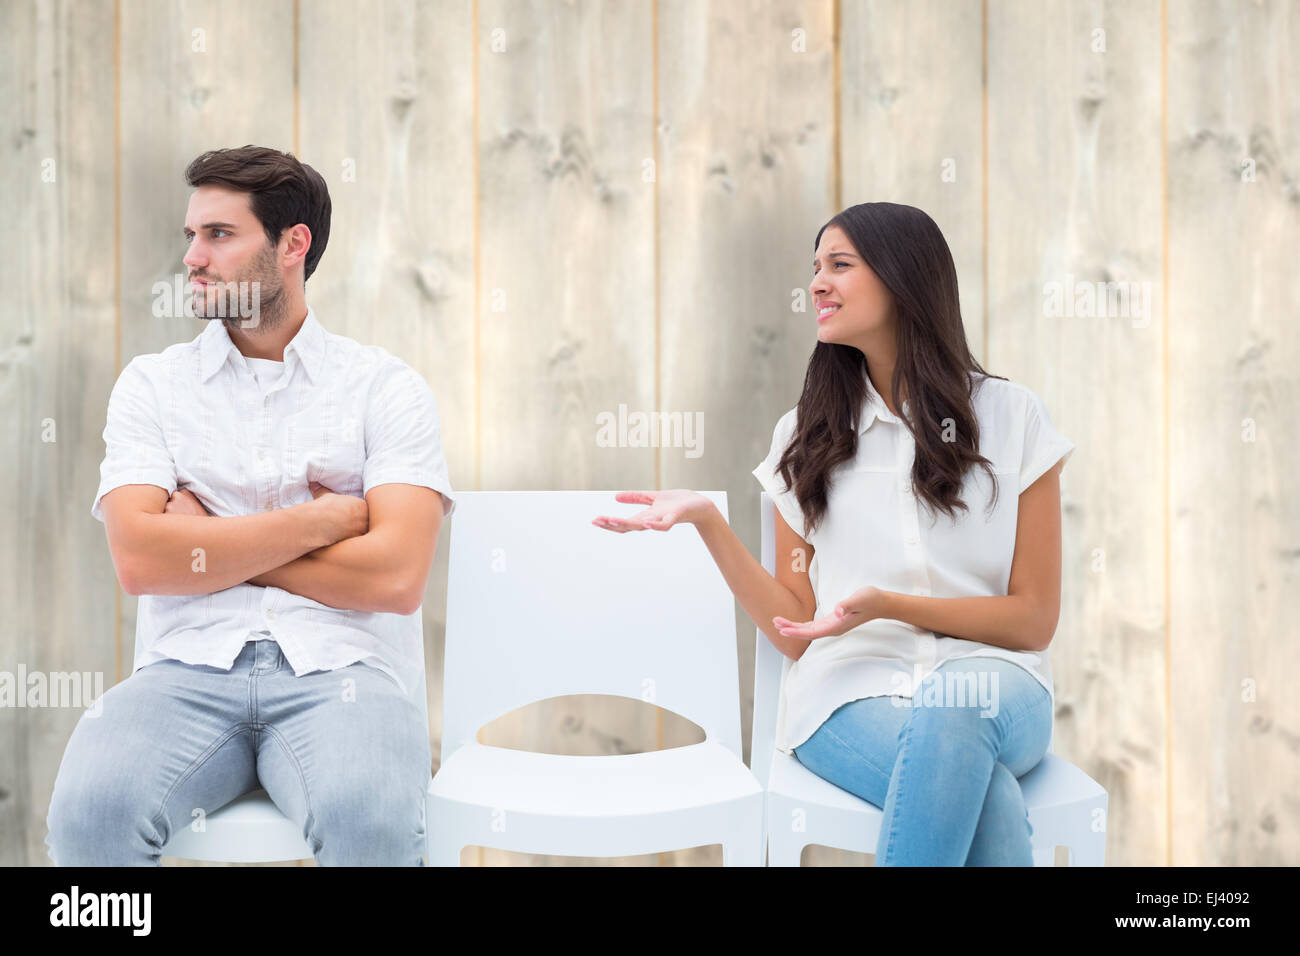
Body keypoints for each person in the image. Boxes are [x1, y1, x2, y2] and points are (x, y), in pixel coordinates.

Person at [593, 202, 1074, 866]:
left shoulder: (1012, 417)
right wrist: (708, 522)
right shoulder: (805, 438)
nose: (817, 283)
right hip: (850, 697)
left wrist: (892, 605)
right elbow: (796, 623)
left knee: (953, 706)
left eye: (839, 265)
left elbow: (1032, 620)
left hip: (997, 690)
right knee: (988, 801)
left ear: (904, 279)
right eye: (815, 267)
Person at [46, 145, 455, 865]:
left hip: (344, 676)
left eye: (219, 235)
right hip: (183, 672)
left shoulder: (384, 389)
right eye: (191, 236)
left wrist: (215, 546)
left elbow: (394, 579)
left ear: (292, 245)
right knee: (89, 815)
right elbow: (141, 560)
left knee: (373, 820)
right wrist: (321, 524)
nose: (193, 259)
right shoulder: (153, 386)